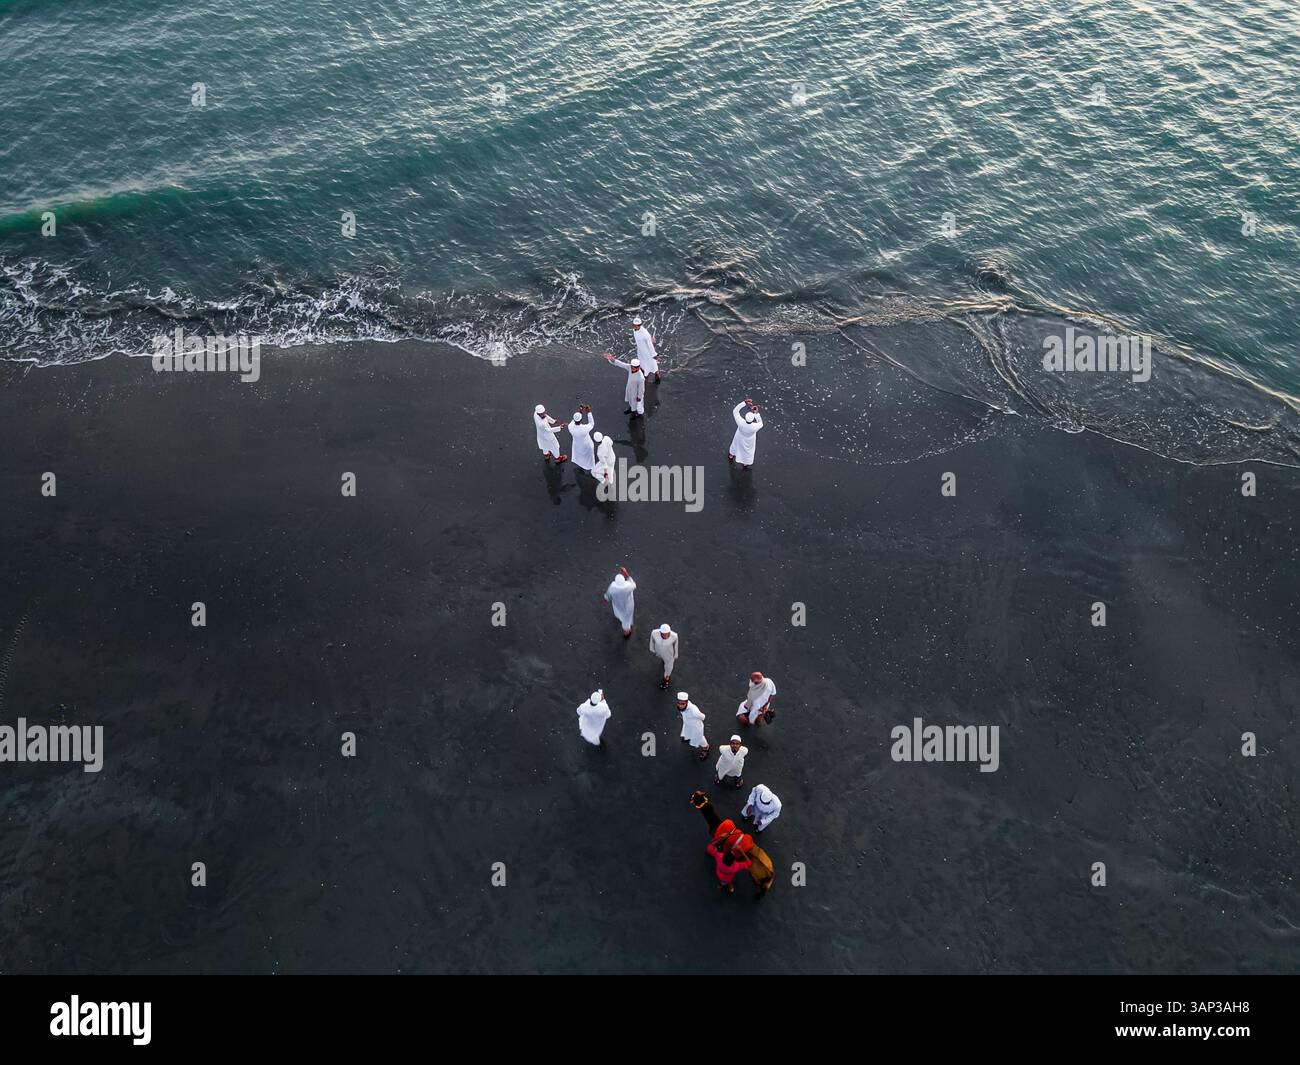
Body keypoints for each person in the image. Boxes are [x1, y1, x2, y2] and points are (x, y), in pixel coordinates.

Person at [602, 352, 646, 416]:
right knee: (631, 401)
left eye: (634, 367)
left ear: (638, 367)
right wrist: (612, 360)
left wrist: (639, 397)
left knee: (636, 404)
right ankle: (632, 409)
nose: (633, 368)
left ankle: (636, 414)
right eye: (632, 366)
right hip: (630, 388)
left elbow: (641, 389)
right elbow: (621, 364)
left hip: (636, 393)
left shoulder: (641, 378)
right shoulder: (630, 368)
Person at [728, 397, 763, 468]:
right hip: (749, 440)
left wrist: (744, 403)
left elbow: (735, 411)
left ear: (745, 417)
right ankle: (745, 464)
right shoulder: (754, 426)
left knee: (735, 445)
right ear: (752, 419)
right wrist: (756, 413)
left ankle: (731, 456)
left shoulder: (741, 422)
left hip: (740, 436)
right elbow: (761, 423)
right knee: (748, 451)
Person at [603, 566, 636, 637]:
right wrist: (626, 574)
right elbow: (634, 584)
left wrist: (606, 599)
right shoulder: (628, 586)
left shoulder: (613, 586)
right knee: (626, 620)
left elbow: (607, 596)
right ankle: (626, 632)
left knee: (620, 614)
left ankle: (625, 626)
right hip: (628, 606)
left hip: (618, 605)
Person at [676, 692, 709, 760]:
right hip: (687, 724)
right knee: (686, 732)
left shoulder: (693, 710)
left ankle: (706, 748)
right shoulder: (682, 707)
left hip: (696, 727)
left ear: (687, 702)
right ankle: (688, 737)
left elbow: (702, 717)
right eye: (679, 703)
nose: (680, 705)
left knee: (699, 738)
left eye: (682, 704)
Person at [630, 316, 661, 381]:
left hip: (648, 353)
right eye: (634, 325)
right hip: (641, 352)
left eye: (637, 325)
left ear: (640, 325)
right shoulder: (634, 330)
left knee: (653, 365)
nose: (636, 326)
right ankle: (644, 376)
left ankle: (657, 376)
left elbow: (650, 345)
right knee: (643, 365)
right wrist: (651, 338)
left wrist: (654, 355)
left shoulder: (645, 334)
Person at [649, 623, 679, 688]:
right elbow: (652, 641)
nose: (665, 635)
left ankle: (666, 680)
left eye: (667, 633)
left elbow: (675, 646)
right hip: (659, 651)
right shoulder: (654, 633)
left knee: (669, 667)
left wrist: (676, 654)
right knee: (662, 659)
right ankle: (663, 660)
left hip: (669, 654)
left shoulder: (674, 636)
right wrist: (652, 648)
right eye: (663, 634)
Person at [568, 406, 595, 473]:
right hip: (586, 445)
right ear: (581, 420)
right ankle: (590, 467)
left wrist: (579, 412)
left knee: (579, 455)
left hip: (577, 445)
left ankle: (581, 464)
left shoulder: (570, 427)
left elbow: (573, 420)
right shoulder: (584, 428)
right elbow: (591, 423)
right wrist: (589, 412)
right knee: (589, 457)